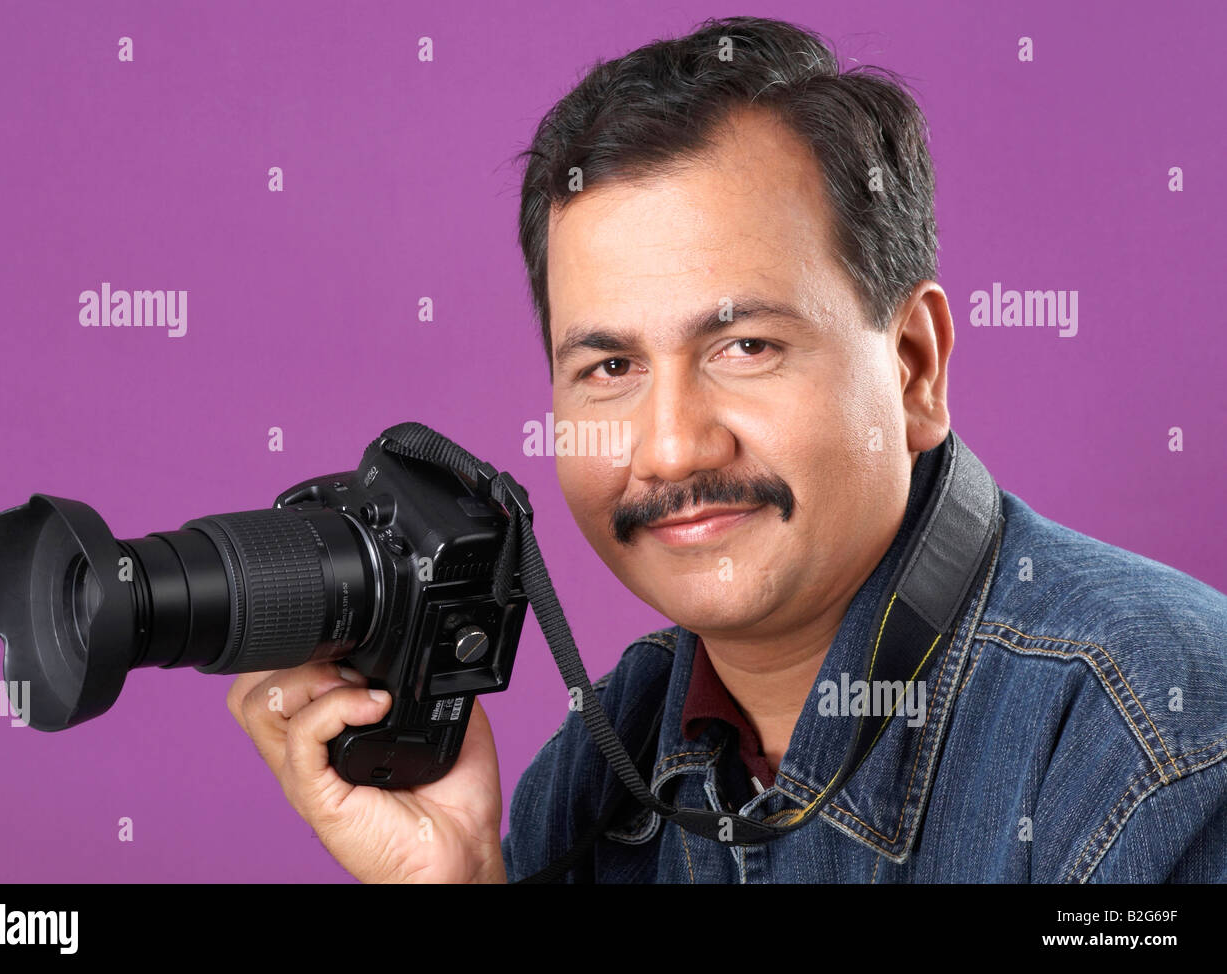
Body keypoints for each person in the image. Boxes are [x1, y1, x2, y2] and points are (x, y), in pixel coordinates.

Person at [225, 16, 1227, 883]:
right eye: (610, 368)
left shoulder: (1151, 735)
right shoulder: (594, 770)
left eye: (744, 346)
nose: (670, 447)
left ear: (914, 366)